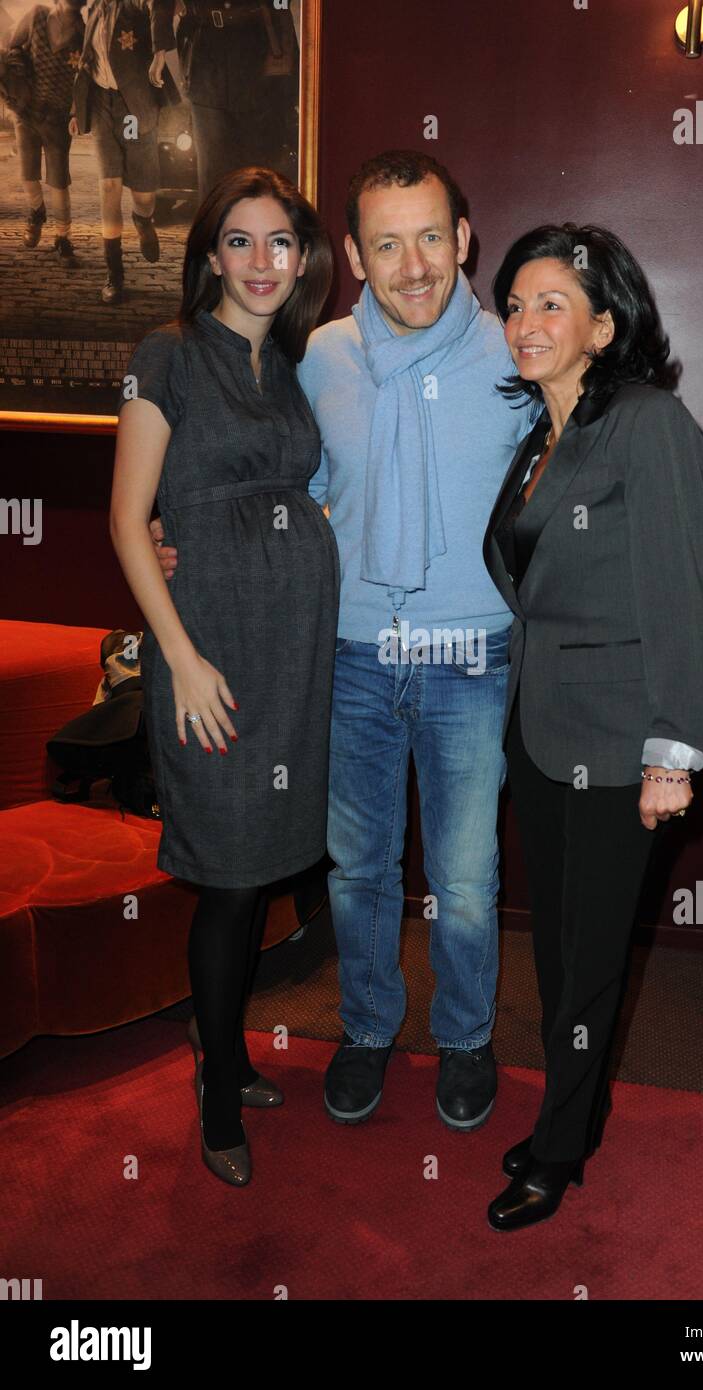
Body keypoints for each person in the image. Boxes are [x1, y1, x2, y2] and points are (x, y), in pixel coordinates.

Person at [153, 151, 532, 1132]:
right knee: (357, 872)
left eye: (431, 237)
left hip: (467, 658)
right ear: (357, 255)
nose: (413, 265)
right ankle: (366, 1032)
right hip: (352, 654)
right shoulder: (317, 357)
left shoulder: (515, 354)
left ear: (464, 241)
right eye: (387, 243)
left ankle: (462, 1040)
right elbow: (287, 488)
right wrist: (175, 539)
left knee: (463, 878)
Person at [483, 223, 703, 1232]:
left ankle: (561, 1145)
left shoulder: (649, 425)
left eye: (551, 305)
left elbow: (678, 593)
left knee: (587, 962)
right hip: (538, 731)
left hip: (622, 747)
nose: (526, 323)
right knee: (558, 952)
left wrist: (673, 749)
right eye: (516, 303)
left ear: (603, 324)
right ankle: (573, 1107)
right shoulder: (541, 437)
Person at [110, 166, 338, 1187]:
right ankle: (212, 1093)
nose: (260, 262)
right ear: (208, 253)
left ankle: (231, 1048)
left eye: (278, 242)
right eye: (239, 241)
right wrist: (182, 659)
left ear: (301, 259)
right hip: (211, 651)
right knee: (232, 876)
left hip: (292, 651)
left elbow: (289, 487)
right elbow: (127, 519)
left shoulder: (288, 363)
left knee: (262, 873)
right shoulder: (167, 354)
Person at [71, 0, 180, 303]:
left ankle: (142, 219)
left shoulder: (132, 4)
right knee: (109, 187)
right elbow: (86, 62)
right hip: (102, 106)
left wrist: (159, 54)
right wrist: (75, 110)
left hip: (134, 107)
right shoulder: (92, 11)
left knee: (143, 195)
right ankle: (114, 274)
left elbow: (159, 6)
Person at [176, 0, 300, 201]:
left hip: (260, 65)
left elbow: (281, 5)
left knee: (260, 178)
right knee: (213, 182)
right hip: (207, 66)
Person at [5, 0, 85, 267]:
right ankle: (37, 211)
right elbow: (12, 47)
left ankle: (63, 239)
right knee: (28, 176)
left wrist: (75, 113)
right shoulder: (36, 15)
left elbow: (83, 77)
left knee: (59, 181)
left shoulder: (82, 32)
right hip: (26, 112)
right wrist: (19, 85)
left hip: (58, 118)